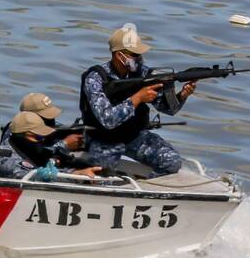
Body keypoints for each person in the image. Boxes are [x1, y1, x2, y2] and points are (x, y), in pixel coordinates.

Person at [79, 25, 194, 175]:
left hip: (133, 136)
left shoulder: (143, 73)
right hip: (102, 139)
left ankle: (150, 192)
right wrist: (138, 97)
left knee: (172, 162)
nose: (139, 58)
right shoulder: (95, 79)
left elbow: (167, 109)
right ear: (120, 56)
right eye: (135, 54)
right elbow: (107, 119)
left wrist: (182, 96)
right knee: (101, 177)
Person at [0, 112, 102, 180]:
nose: (41, 142)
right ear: (22, 136)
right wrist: (75, 175)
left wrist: (80, 172)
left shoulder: (26, 151)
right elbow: (34, 175)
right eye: (39, 138)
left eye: (44, 138)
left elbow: (45, 166)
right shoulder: (5, 157)